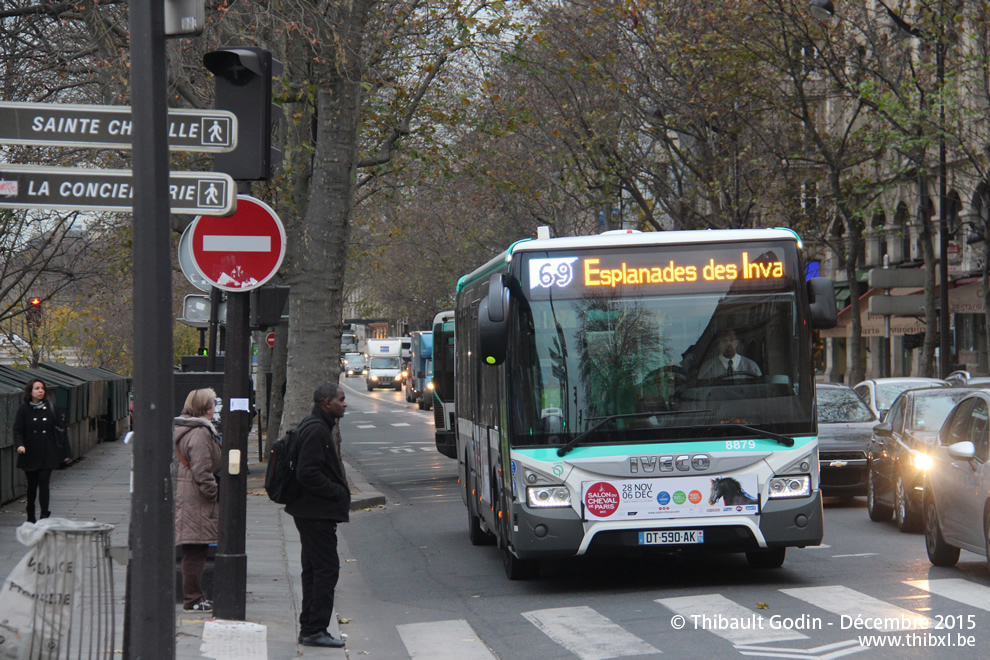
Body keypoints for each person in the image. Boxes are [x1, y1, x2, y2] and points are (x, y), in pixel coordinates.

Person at [285, 382, 350, 648]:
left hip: (310, 511)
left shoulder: (316, 426)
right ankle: (315, 629)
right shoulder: (316, 430)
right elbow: (307, 473)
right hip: (315, 512)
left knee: (313, 569)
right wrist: (335, 491)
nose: (344, 404)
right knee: (326, 569)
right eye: (341, 399)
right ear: (327, 403)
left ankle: (310, 627)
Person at [173, 388, 223, 613]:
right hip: (197, 497)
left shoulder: (184, 428)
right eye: (213, 403)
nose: (215, 408)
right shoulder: (201, 432)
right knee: (195, 550)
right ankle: (193, 598)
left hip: (187, 494)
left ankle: (195, 596)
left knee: (194, 549)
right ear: (205, 407)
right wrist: (212, 491)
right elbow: (202, 469)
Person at [13, 378, 71, 523]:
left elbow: (61, 430)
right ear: (30, 391)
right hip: (30, 453)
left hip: (48, 451)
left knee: (44, 481)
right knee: (32, 485)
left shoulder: (51, 408)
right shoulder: (24, 409)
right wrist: (19, 445)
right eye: (37, 388)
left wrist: (66, 453)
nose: (40, 391)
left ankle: (44, 513)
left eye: (42, 388)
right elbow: (18, 430)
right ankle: (30, 513)